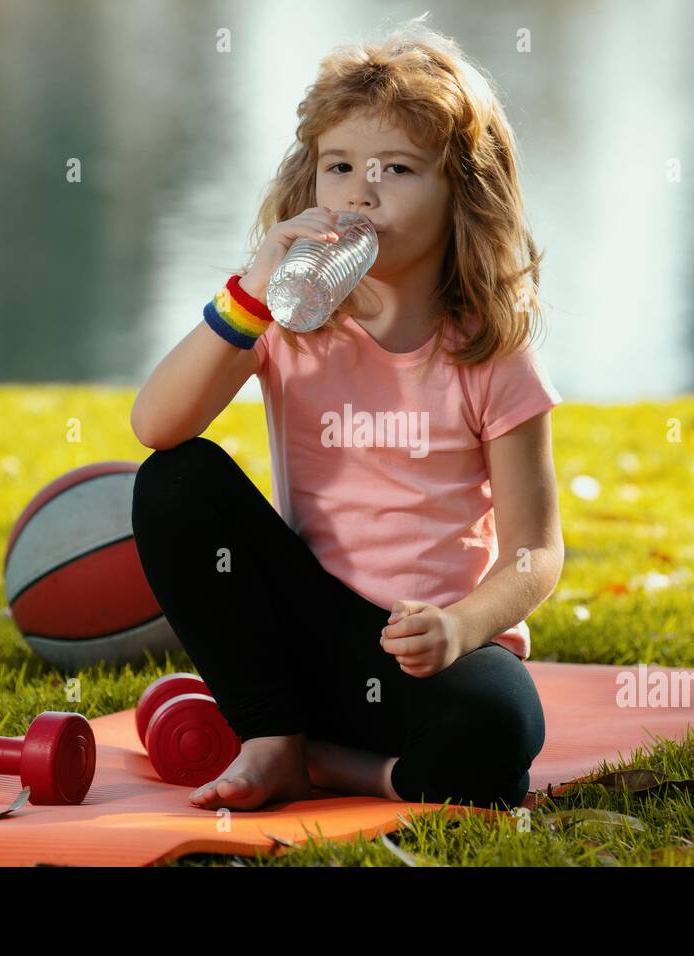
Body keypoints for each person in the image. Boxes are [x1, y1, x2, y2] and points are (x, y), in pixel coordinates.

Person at [130, 15, 563, 814]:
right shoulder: (291, 325)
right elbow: (156, 425)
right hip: (309, 646)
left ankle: (335, 768)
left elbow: (536, 552)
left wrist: (463, 628)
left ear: (462, 192)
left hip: (430, 659)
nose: (360, 190)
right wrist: (250, 291)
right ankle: (270, 740)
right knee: (174, 481)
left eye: (396, 168)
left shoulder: (490, 353)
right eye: (339, 166)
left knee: (501, 726)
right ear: (311, 181)